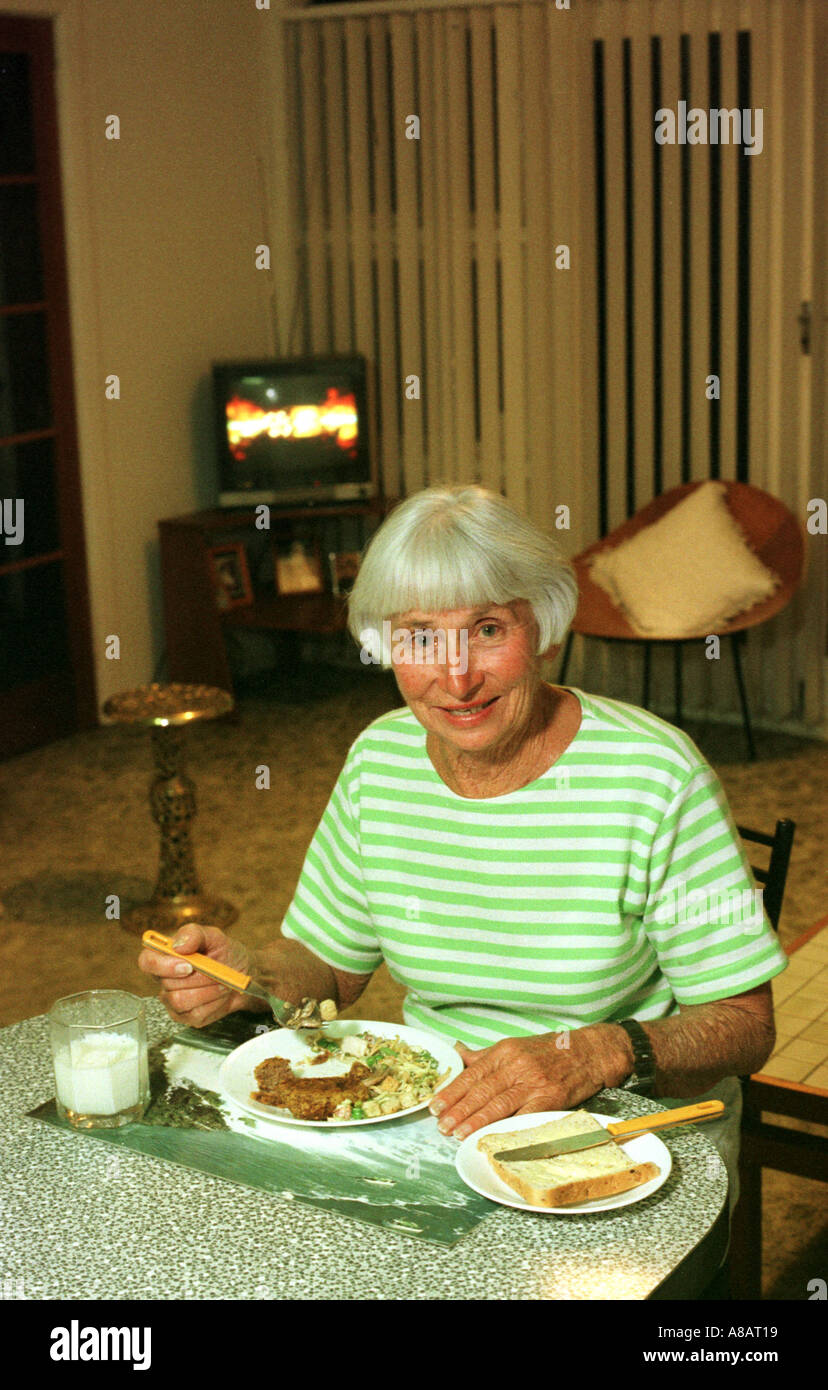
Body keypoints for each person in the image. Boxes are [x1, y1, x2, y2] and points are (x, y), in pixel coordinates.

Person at [139, 484, 787, 1209]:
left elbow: (743, 1025)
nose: (457, 678)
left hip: (628, 1132)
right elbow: (326, 969)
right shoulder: (380, 762)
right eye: (419, 637)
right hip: (440, 1127)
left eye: (486, 630)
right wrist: (247, 973)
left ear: (543, 627)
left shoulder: (657, 776)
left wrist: (597, 1053)